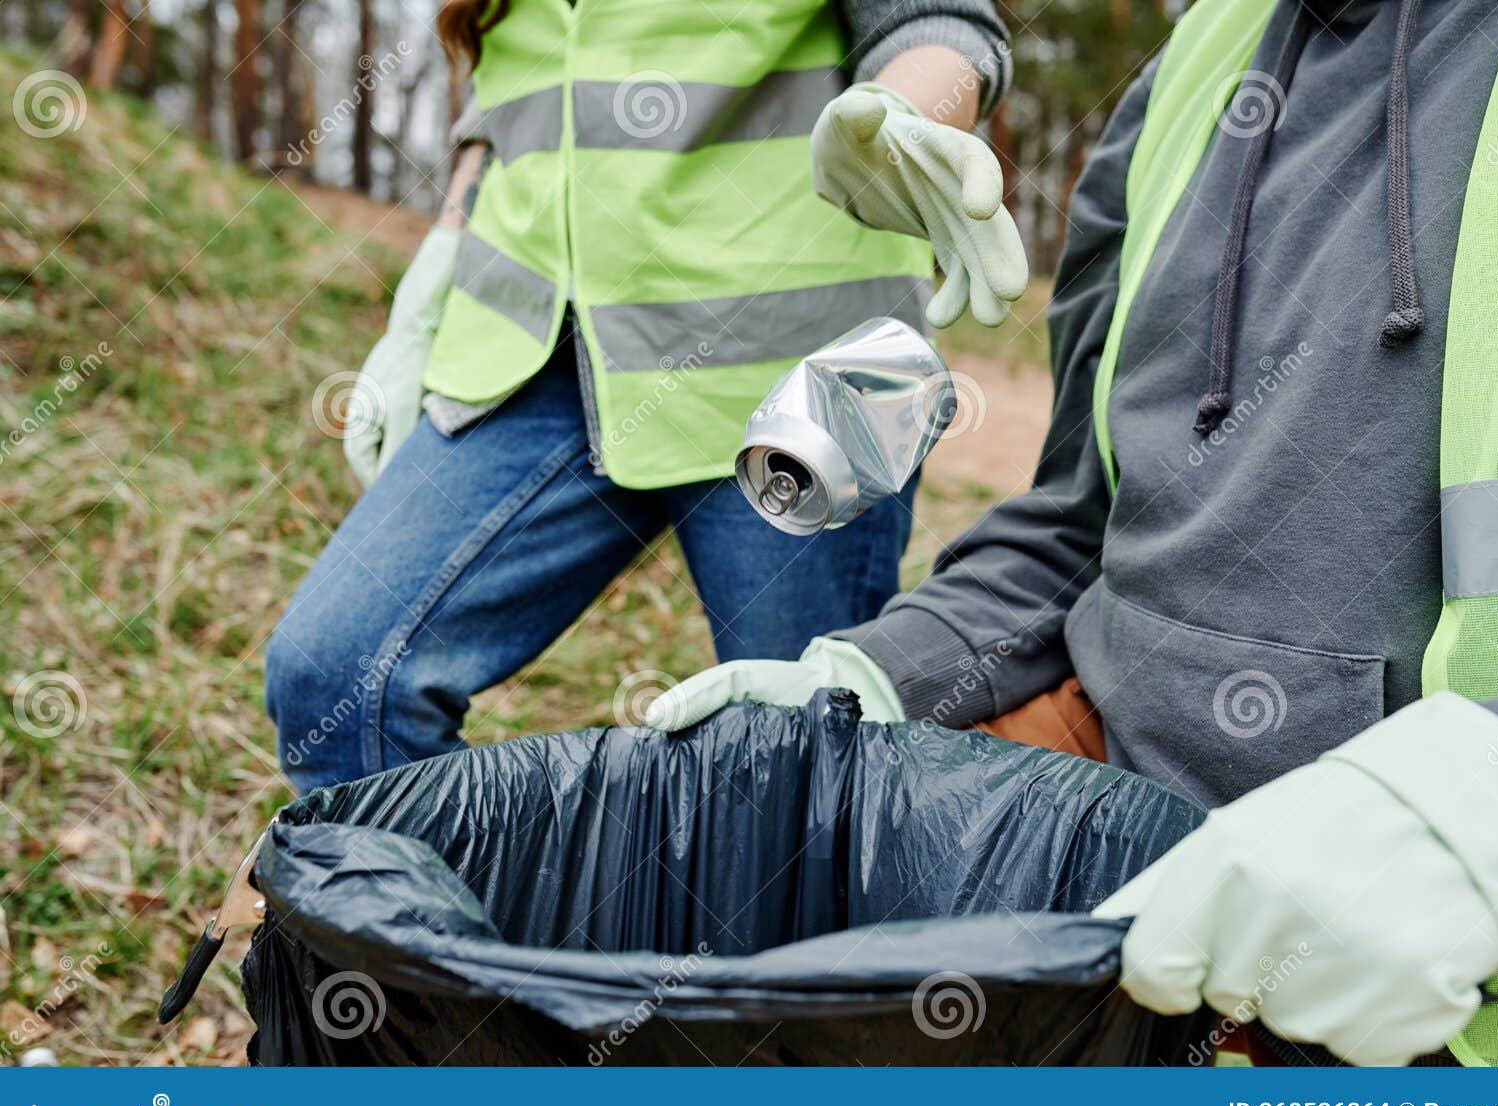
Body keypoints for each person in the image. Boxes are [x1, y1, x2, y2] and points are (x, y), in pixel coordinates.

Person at [645, 0, 1498, 1067]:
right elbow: (1073, 523)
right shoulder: (1198, 64)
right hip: (1108, 819)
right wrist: (873, 677)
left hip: (1446, 957)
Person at [265, 0, 1028, 792]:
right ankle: (484, 916)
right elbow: (525, 83)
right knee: (338, 679)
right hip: (530, 357)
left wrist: (903, 115)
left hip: (797, 375)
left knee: (809, 775)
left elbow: (937, 20)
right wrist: (444, 252)